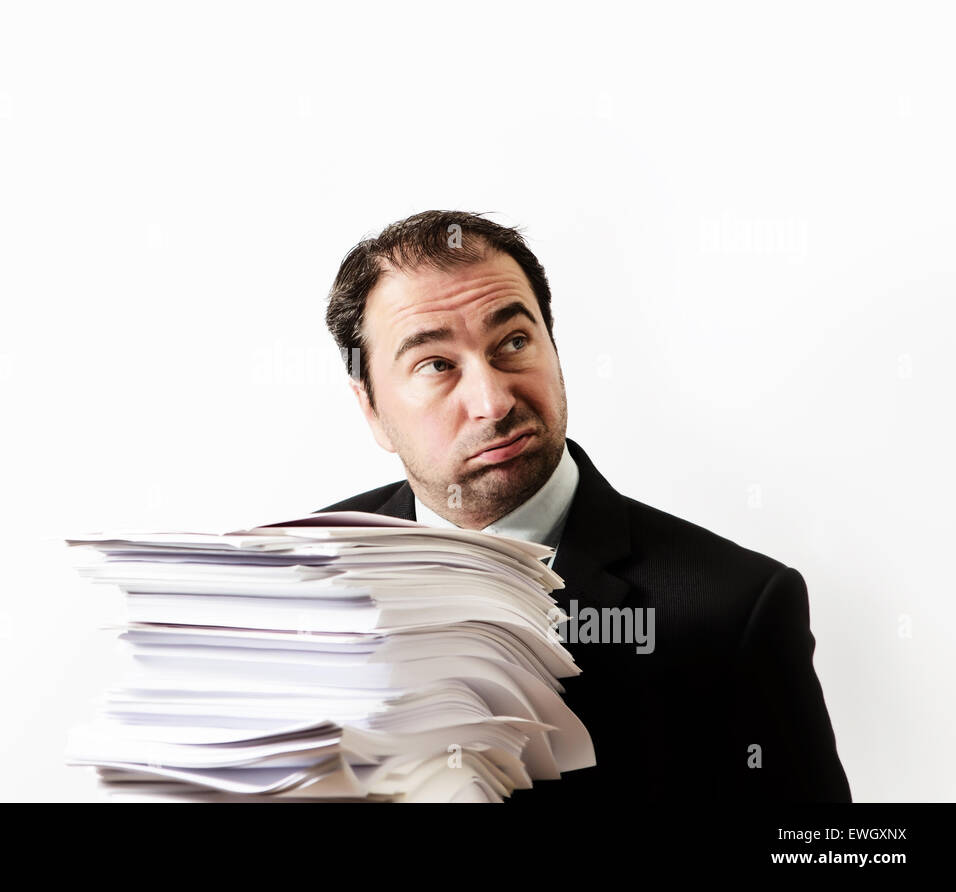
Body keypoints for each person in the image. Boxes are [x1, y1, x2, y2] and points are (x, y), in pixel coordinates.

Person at [318, 210, 851, 802]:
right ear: (371, 409)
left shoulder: (737, 607)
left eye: (514, 342)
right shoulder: (284, 589)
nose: (493, 402)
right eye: (437, 365)